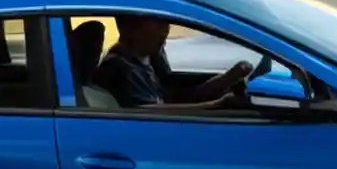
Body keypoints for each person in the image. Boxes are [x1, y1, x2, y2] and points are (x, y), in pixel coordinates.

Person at [95, 15, 253, 110]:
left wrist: (228, 78)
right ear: (130, 28)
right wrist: (216, 105)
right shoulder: (120, 68)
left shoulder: (150, 59)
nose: (166, 30)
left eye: (166, 23)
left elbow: (176, 95)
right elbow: (149, 113)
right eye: (159, 24)